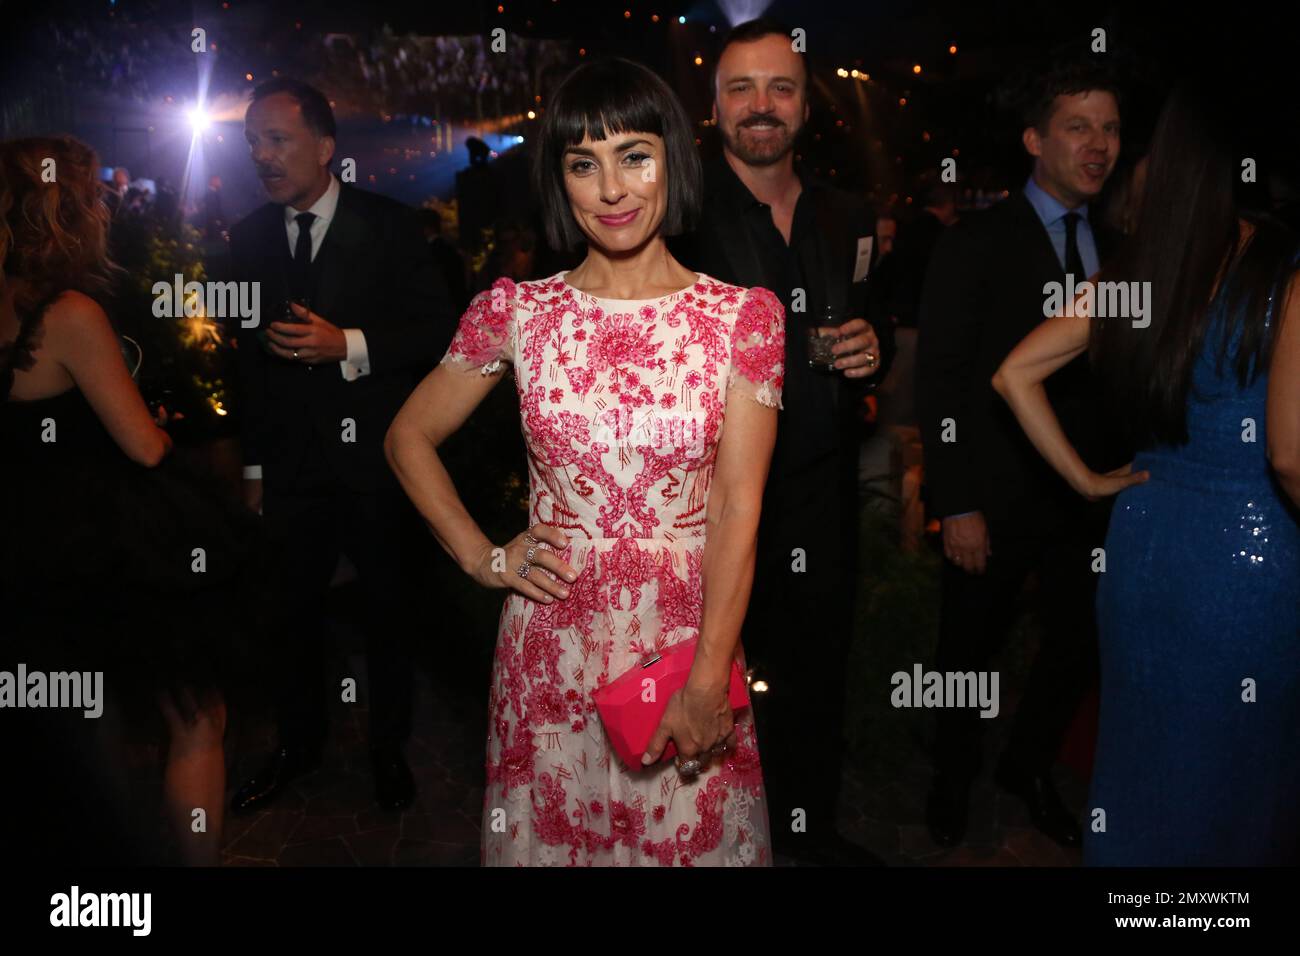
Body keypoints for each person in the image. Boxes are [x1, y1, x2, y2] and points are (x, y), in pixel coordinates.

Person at [386, 56, 781, 866]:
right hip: (550, 648)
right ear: (559, 181)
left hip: (686, 643)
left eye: (634, 155)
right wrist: (484, 557)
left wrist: (709, 677)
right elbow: (406, 437)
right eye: (582, 164)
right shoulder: (518, 312)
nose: (611, 189)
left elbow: (739, 509)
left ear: (672, 155)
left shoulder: (742, 320)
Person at [994, 83, 1300, 865]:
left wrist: (1090, 483)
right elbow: (1292, 456)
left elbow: (1016, 373)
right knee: (1236, 776)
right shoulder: (1284, 271)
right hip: (1251, 559)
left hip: (1144, 541)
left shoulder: (1144, 271)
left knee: (1143, 760)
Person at [0, 135, 265, 865]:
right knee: (196, 715)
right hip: (102, 541)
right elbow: (142, 445)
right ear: (71, 207)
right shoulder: (68, 311)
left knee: (85, 719)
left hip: (24, 541)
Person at [672, 16, 889, 866]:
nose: (761, 106)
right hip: (710, 499)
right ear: (713, 105)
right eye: (741, 88)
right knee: (715, 673)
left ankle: (807, 831)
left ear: (807, 104)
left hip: (822, 488)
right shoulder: (679, 213)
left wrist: (876, 354)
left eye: (781, 87)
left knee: (816, 671)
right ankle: (719, 839)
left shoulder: (848, 213)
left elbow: (871, 327)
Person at [915, 61, 1126, 850]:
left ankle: (1027, 767)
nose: (1097, 144)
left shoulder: (1122, 246)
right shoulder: (977, 241)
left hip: (1089, 495)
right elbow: (939, 385)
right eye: (1078, 126)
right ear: (1036, 139)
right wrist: (956, 501)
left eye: (1109, 128)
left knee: (1080, 642)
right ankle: (949, 780)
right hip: (992, 496)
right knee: (967, 647)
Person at [226, 78, 451, 815]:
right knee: (289, 615)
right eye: (253, 140)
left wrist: (345, 344)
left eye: (277, 139)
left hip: (377, 463)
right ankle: (297, 746)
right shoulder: (249, 236)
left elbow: (437, 332)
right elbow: (244, 368)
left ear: (325, 147)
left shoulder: (390, 226)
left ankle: (387, 749)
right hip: (290, 470)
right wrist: (254, 466)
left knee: (387, 609)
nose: (261, 154)